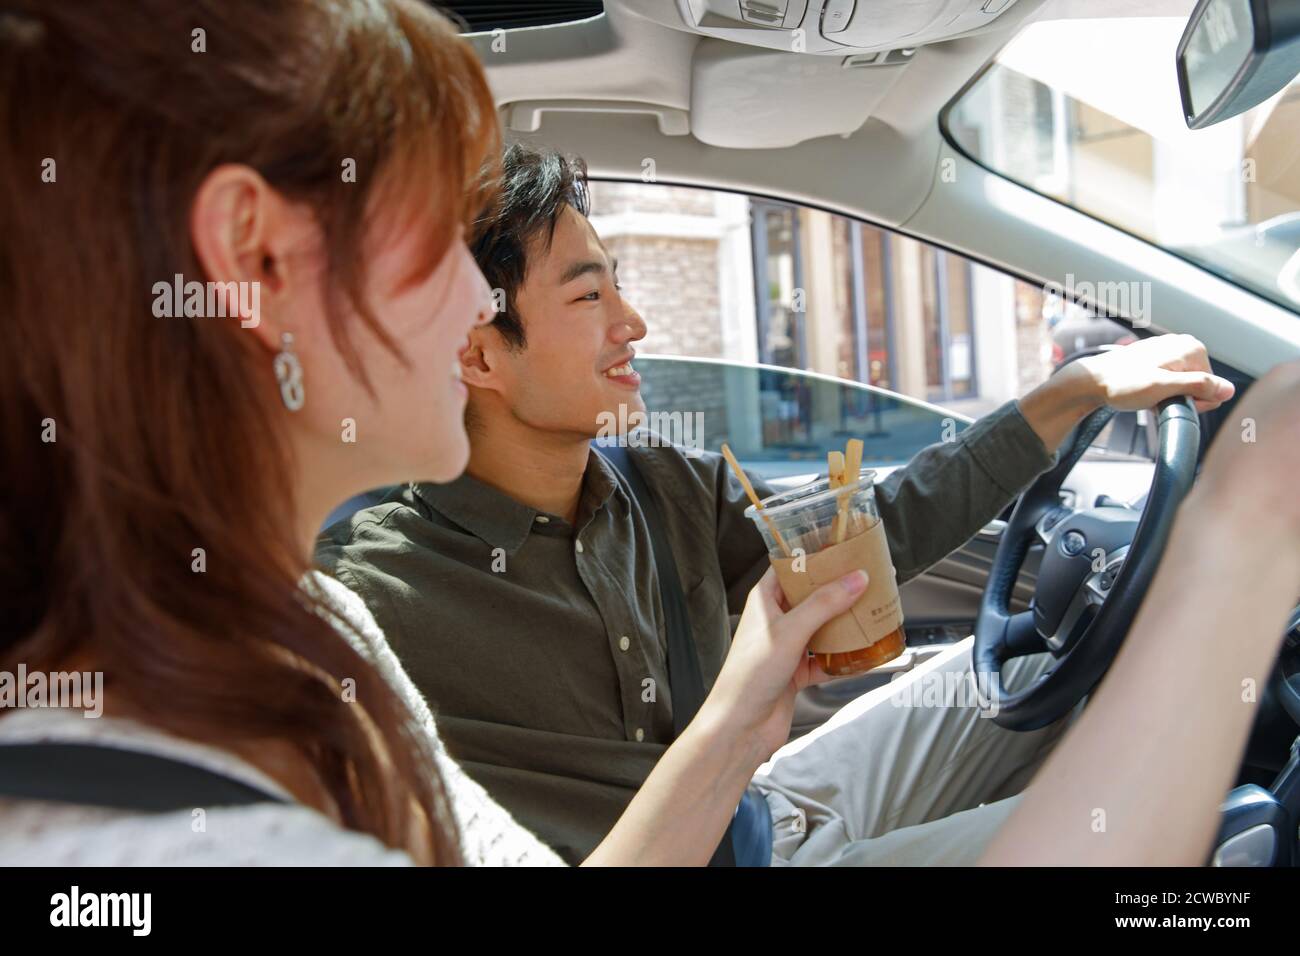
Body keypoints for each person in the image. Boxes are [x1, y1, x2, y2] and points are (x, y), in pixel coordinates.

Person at [0, 0, 858, 866]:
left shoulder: (318, 622)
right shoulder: (153, 841)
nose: (471, 308)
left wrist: (738, 721)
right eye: (436, 235)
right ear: (257, 260)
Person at [316, 143, 1242, 865]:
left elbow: (865, 531)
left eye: (620, 285)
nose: (631, 322)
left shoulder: (654, 482)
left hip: (770, 811)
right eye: (590, 294)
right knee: (1150, 838)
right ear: (477, 354)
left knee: (1034, 664)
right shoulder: (375, 604)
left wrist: (1065, 395)